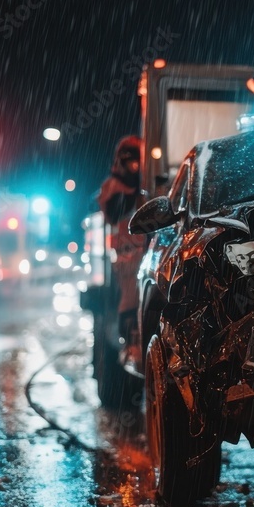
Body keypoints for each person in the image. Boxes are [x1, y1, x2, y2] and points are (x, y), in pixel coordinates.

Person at [97, 135, 145, 360]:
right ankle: (130, 344)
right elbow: (114, 211)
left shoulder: (136, 187)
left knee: (137, 298)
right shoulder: (114, 186)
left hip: (138, 252)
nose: (134, 167)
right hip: (126, 255)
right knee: (130, 297)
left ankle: (135, 342)